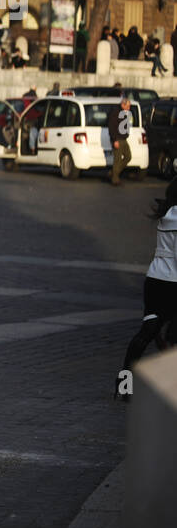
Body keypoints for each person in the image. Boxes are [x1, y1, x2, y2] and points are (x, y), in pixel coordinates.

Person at [119, 179, 177, 398]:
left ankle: (125, 384)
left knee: (146, 333)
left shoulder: (166, 215)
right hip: (173, 283)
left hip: (154, 280)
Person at [107, 96, 134, 186]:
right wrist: (114, 140)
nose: (129, 108)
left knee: (128, 157)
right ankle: (115, 179)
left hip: (124, 139)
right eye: (128, 106)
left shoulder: (125, 113)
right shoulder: (115, 112)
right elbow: (112, 127)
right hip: (117, 139)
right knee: (117, 159)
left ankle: (113, 172)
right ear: (123, 105)